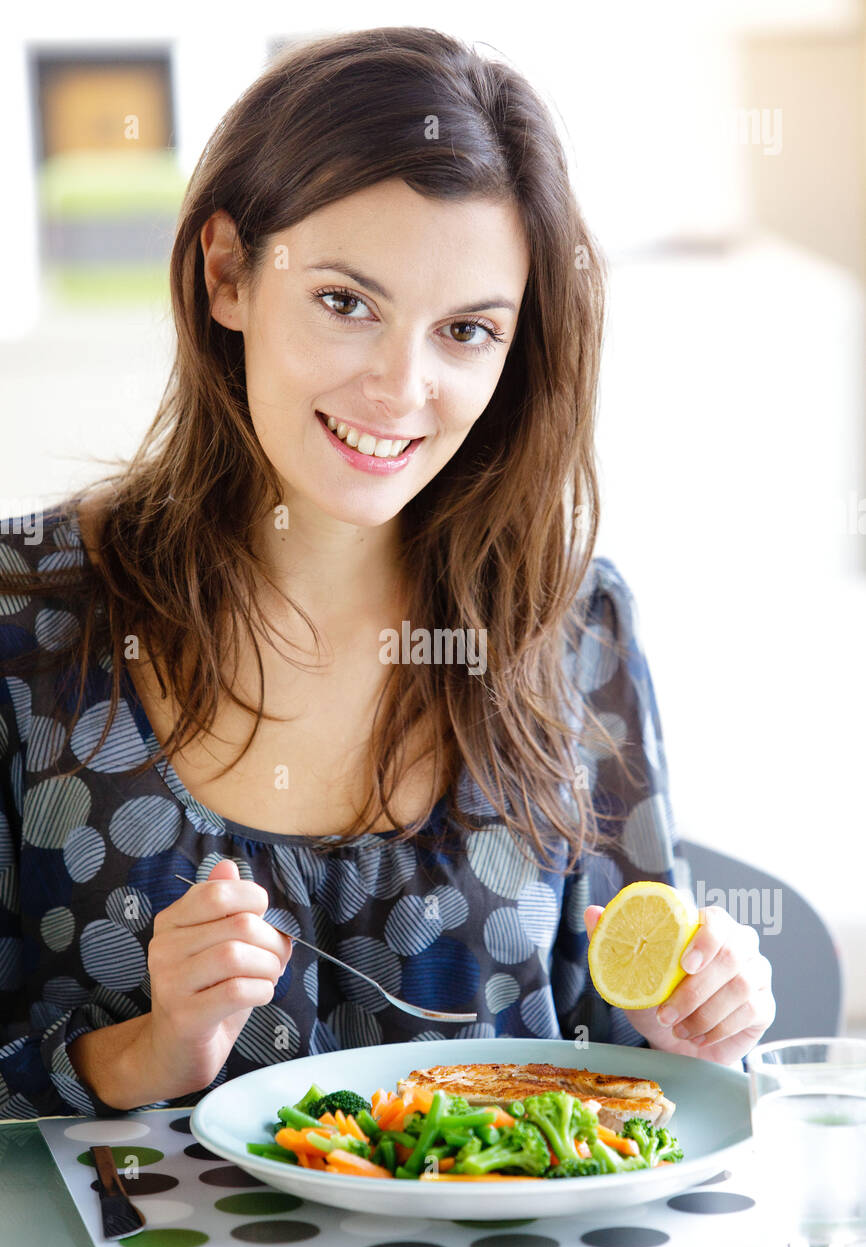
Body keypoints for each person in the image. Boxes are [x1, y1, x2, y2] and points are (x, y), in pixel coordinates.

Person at [0, 27, 774, 1120]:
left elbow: (635, 1079)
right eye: (345, 302)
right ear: (228, 273)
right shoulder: (25, 620)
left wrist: (694, 1028)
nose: (399, 389)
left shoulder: (572, 625)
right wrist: (143, 1053)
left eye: (465, 330)